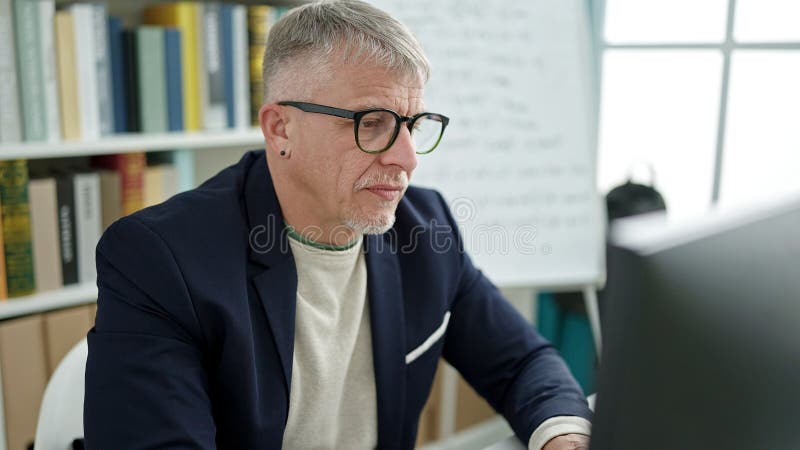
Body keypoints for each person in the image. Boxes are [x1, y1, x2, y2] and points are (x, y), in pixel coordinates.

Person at [83, 1, 592, 449]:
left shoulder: (425, 227)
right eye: (372, 123)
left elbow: (522, 362)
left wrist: (562, 435)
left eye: (412, 125)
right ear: (281, 127)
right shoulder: (159, 259)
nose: (408, 159)